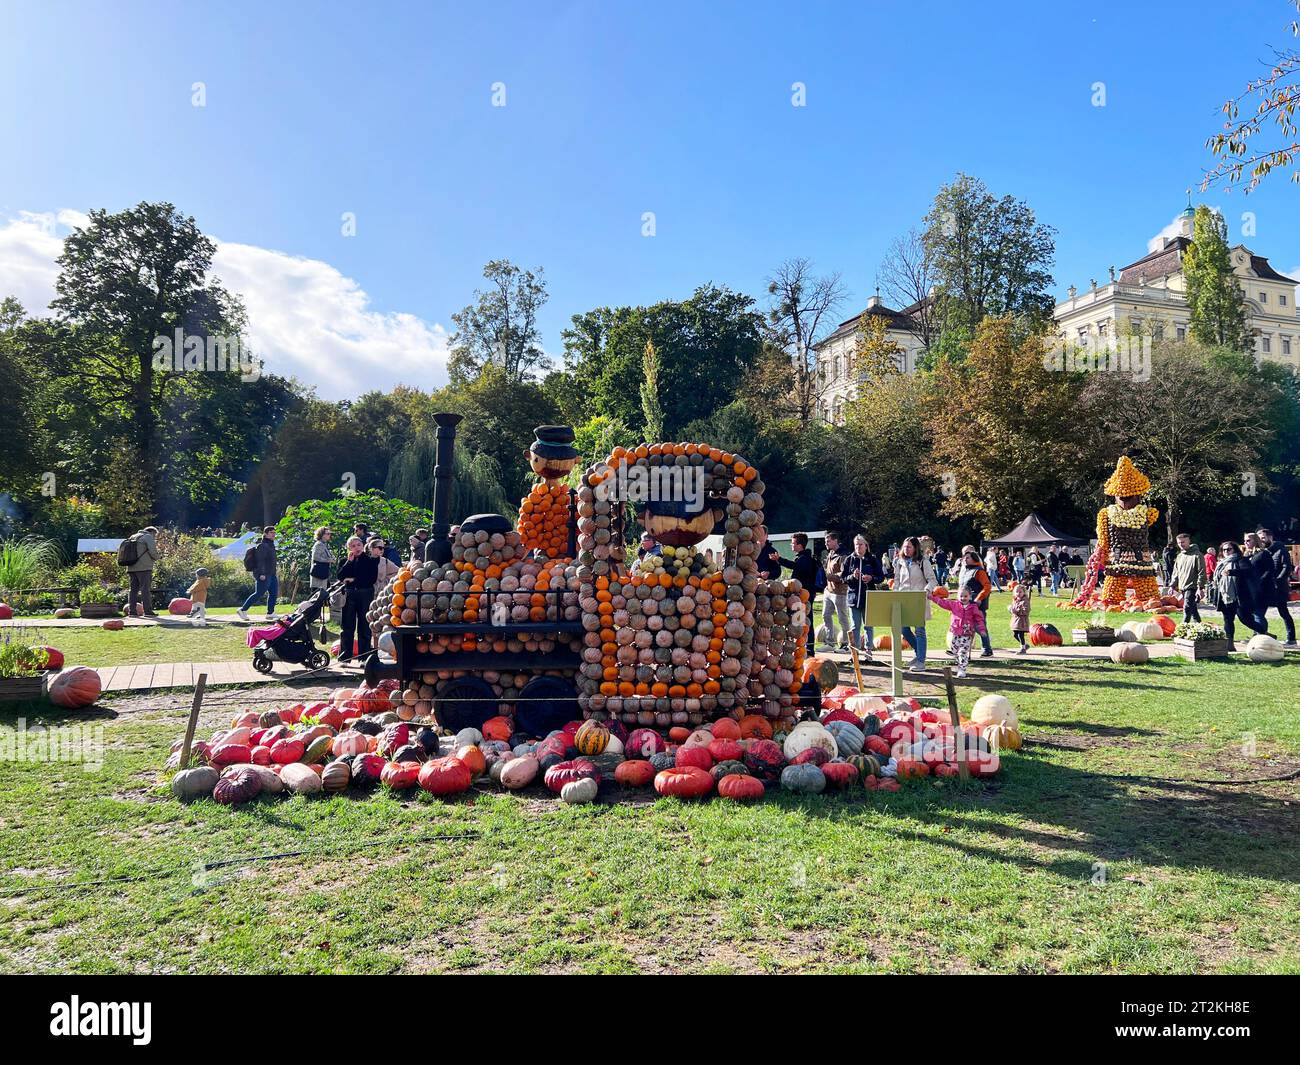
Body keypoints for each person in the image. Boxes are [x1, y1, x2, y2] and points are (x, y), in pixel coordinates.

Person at [893, 535, 937, 672]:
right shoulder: (899, 562)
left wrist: (926, 590)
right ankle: (919, 654)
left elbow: (932, 580)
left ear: (915, 548)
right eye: (904, 546)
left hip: (918, 600)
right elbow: (897, 580)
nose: (906, 549)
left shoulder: (923, 562)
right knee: (904, 629)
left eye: (909, 547)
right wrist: (895, 594)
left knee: (919, 631)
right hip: (903, 600)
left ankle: (921, 661)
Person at [929, 584, 987, 679]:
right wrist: (931, 597)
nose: (963, 598)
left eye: (965, 596)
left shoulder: (973, 608)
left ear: (970, 596)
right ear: (957, 596)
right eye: (961, 596)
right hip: (955, 632)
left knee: (962, 652)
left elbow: (979, 619)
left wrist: (982, 630)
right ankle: (959, 661)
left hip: (967, 633)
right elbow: (942, 602)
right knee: (954, 650)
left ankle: (962, 669)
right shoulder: (954, 605)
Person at [1214, 541, 1267, 644]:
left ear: (1235, 549)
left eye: (1229, 549)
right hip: (1226, 596)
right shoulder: (1221, 563)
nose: (1226, 552)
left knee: (1245, 619)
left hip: (1239, 596)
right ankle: (1229, 644)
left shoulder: (1241, 560)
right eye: (1224, 550)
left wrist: (1231, 572)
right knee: (1228, 620)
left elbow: (1247, 571)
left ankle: (1263, 632)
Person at [336, 535, 379, 662]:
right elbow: (340, 576)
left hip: (365, 593)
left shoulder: (371, 559)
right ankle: (345, 657)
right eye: (353, 546)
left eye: (359, 545)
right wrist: (349, 562)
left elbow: (371, 578)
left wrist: (354, 579)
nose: (357, 548)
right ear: (349, 548)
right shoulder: (345, 560)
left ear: (363, 546)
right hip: (349, 594)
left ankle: (363, 657)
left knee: (364, 626)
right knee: (347, 626)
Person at [780, 532, 823, 653]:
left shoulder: (805, 559)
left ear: (800, 545)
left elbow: (795, 566)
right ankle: (803, 646)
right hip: (803, 595)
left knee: (803, 621)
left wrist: (779, 559)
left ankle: (807, 648)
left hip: (804, 595)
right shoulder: (803, 557)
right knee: (801, 620)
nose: (791, 545)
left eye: (793, 543)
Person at [1254, 528, 1296, 645]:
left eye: (1263, 538)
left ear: (1270, 537)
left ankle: (1291, 637)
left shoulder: (1281, 550)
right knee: (1259, 612)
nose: (1261, 540)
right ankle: (1257, 635)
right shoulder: (1262, 552)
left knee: (1283, 612)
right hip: (1266, 588)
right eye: (1259, 538)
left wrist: (1277, 580)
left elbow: (1286, 567)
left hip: (1279, 588)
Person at [843, 534, 883, 658]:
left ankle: (868, 650)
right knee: (855, 626)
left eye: (860, 544)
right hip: (853, 598)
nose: (858, 547)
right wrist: (852, 576)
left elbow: (881, 577)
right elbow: (843, 578)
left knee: (868, 625)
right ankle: (854, 651)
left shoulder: (872, 559)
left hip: (868, 598)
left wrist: (871, 578)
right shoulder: (849, 560)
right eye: (856, 544)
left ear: (866, 546)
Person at [236, 527, 278, 620]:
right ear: (265, 534)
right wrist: (262, 573)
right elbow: (260, 561)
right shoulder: (263, 546)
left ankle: (270, 613)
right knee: (259, 593)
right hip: (264, 574)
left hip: (271, 573)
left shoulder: (271, 545)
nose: (273, 534)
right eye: (271, 532)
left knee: (274, 593)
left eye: (274, 533)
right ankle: (242, 610)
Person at [959, 548, 994, 657]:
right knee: (964, 626)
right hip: (966, 603)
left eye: (968, 557)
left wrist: (979, 598)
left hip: (977, 604)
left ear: (973, 559)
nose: (965, 559)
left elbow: (987, 586)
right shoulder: (965, 570)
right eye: (964, 557)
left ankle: (987, 649)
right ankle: (961, 648)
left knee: (980, 626)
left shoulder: (979, 571)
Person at [820, 532, 851, 652]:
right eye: (825, 541)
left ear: (835, 541)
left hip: (840, 592)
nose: (826, 544)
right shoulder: (830, 554)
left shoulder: (843, 555)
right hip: (829, 591)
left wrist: (828, 576)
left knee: (842, 618)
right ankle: (829, 643)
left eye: (828, 541)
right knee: (825, 615)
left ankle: (846, 645)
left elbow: (844, 574)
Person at [123, 525, 160, 617]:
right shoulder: (148, 537)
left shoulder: (133, 536)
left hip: (131, 566)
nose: (154, 537)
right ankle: (147, 611)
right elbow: (153, 551)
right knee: (145, 589)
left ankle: (132, 612)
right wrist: (158, 557)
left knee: (133, 590)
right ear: (152, 532)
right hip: (144, 567)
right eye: (155, 535)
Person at [1244, 532, 1276, 635]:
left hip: (1262, 589)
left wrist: (1259, 582)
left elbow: (1270, 570)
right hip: (1250, 590)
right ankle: (1259, 635)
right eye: (1244, 541)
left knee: (1258, 614)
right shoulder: (1247, 555)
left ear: (1255, 540)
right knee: (1254, 614)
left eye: (1248, 540)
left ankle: (1261, 637)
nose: (1246, 543)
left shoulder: (1263, 553)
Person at [1169, 533, 1205, 623]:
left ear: (1189, 541)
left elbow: (1202, 572)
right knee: (1192, 609)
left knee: (1187, 607)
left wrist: (1200, 587)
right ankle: (1199, 626)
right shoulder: (1180, 556)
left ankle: (1184, 627)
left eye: (1183, 542)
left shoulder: (1197, 555)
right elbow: (1175, 572)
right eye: (1179, 543)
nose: (1181, 544)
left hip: (1192, 586)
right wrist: (1172, 586)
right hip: (1183, 586)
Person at [1008, 581, 1031, 654]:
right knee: (1015, 634)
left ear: (1024, 592)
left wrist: (1014, 610)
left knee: (1020, 634)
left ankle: (1023, 648)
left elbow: (1025, 611)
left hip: (1022, 621)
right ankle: (1024, 645)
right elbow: (1014, 609)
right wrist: (1011, 609)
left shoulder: (1025, 601)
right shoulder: (1015, 600)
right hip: (1016, 620)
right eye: (1017, 592)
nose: (1018, 593)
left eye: (1020, 592)